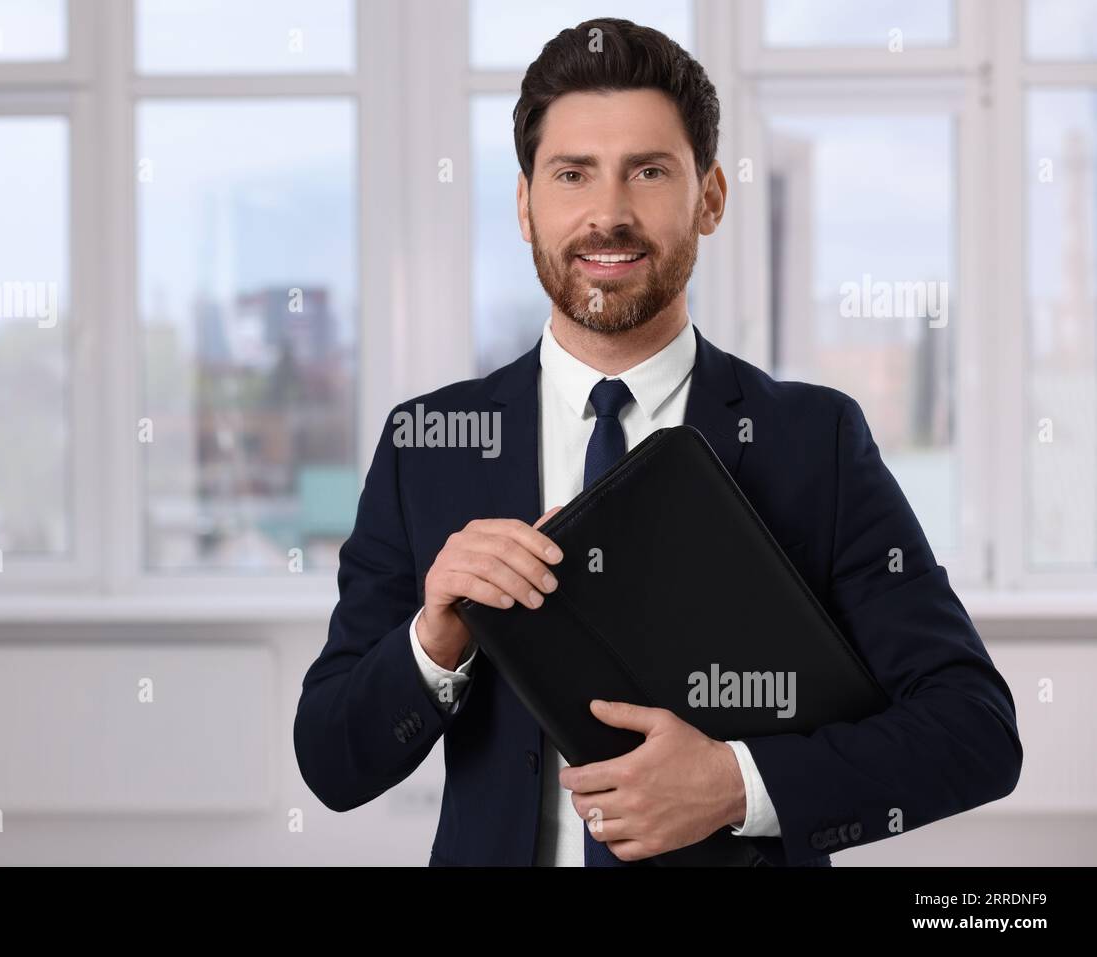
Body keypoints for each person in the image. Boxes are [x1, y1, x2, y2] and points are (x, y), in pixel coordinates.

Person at [293, 18, 1021, 867]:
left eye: (648, 171)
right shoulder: (429, 446)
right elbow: (332, 762)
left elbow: (974, 730)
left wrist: (737, 783)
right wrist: (434, 640)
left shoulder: (812, 440)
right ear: (526, 205)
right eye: (573, 174)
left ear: (709, 198)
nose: (608, 214)